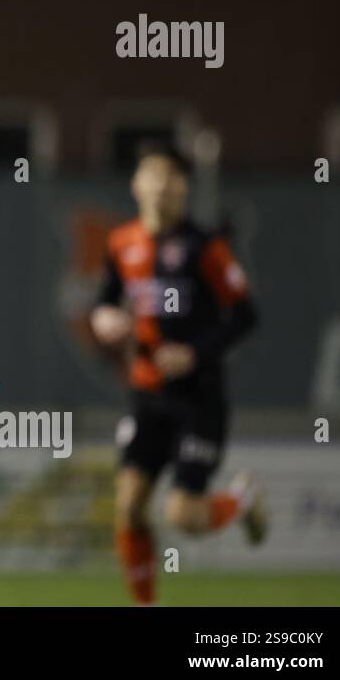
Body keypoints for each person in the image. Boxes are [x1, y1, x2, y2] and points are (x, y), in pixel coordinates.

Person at [89, 144, 262, 605]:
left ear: (184, 188)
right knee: (129, 507)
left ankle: (241, 500)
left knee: (183, 515)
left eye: (171, 177)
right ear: (136, 184)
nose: (162, 186)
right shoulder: (122, 243)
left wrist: (194, 354)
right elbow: (104, 302)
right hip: (147, 395)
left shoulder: (204, 247)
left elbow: (244, 314)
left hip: (198, 398)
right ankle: (145, 603)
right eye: (153, 175)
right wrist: (104, 317)